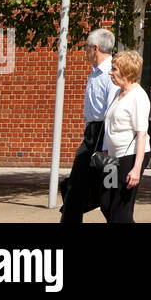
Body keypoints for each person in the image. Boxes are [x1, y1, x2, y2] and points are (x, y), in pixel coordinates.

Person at [60, 28, 118, 223]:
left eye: (86, 46)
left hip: (106, 135)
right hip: (92, 133)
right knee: (74, 186)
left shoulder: (112, 73)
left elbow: (111, 111)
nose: (84, 50)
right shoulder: (94, 73)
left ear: (95, 48)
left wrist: (106, 147)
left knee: (107, 193)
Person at [100, 49, 151, 223]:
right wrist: (105, 151)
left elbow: (141, 135)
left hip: (128, 157)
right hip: (111, 159)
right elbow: (109, 125)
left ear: (127, 71)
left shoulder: (139, 97)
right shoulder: (117, 93)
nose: (110, 72)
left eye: (114, 69)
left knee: (121, 209)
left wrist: (136, 169)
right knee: (106, 203)